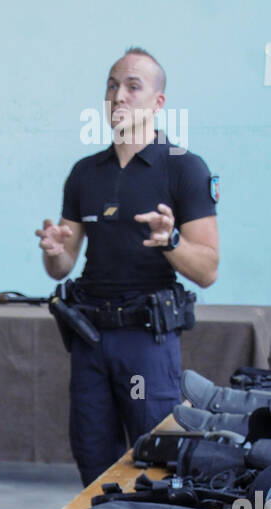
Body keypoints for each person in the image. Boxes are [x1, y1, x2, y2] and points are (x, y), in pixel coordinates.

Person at [35, 47, 219, 486]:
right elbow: (61, 267)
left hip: (147, 342)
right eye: (112, 86)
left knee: (155, 461)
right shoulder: (84, 173)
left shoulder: (185, 169)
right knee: (93, 458)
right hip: (90, 339)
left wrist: (169, 241)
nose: (118, 96)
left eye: (132, 86)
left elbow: (208, 268)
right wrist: (53, 248)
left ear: (157, 103)